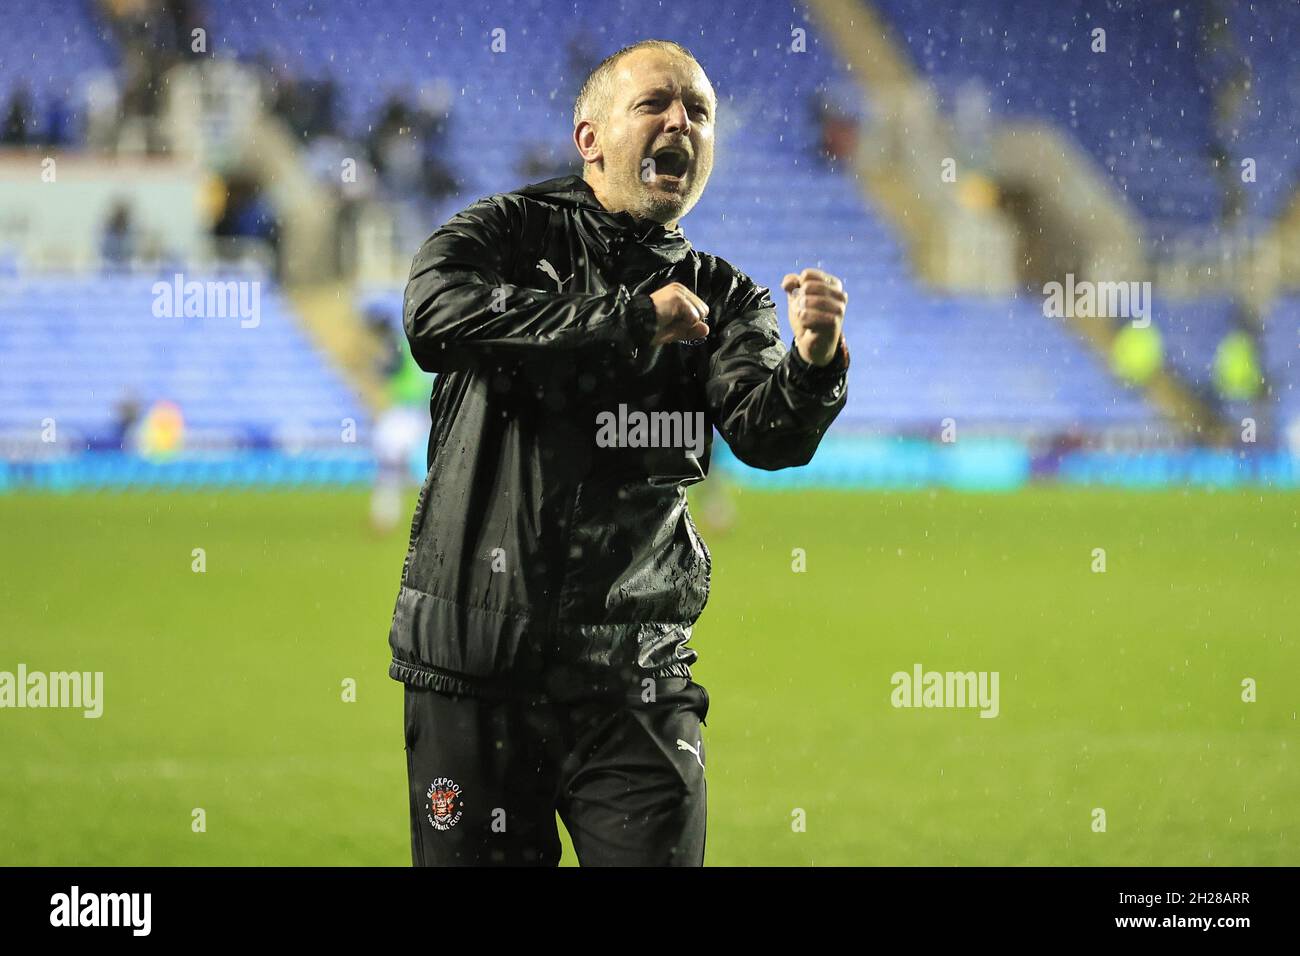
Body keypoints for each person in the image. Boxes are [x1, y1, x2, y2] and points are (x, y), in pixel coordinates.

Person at [390, 39, 851, 866]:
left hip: (635, 678)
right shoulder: (503, 231)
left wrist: (814, 369)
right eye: (656, 105)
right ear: (590, 137)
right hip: (475, 671)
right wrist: (630, 320)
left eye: (700, 113)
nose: (682, 121)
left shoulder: (728, 297)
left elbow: (765, 431)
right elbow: (434, 315)